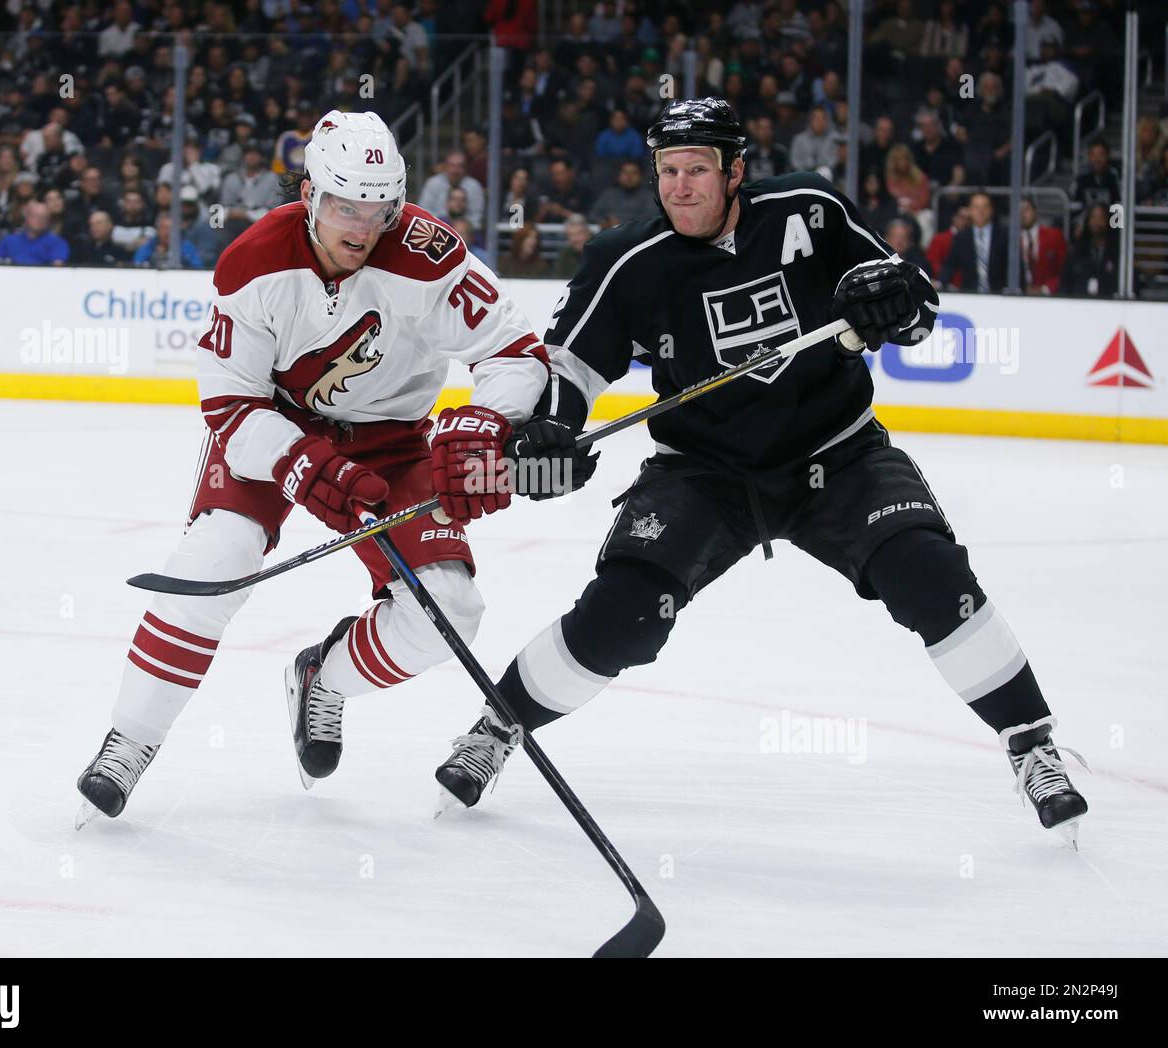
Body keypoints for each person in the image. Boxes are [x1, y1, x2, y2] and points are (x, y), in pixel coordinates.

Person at [433, 98, 1088, 844]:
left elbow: (915, 305)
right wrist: (550, 429)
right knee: (622, 616)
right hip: (705, 472)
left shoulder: (808, 210)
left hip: (837, 454)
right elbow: (572, 366)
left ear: (736, 171)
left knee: (930, 575)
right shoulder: (628, 259)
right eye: (667, 171)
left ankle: (1033, 744)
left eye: (698, 171)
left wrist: (895, 308)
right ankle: (497, 727)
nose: (679, 187)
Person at [76, 110, 550, 822]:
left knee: (450, 610)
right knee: (215, 559)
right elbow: (232, 408)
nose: (362, 227)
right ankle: (130, 739)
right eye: (345, 206)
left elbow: (515, 352)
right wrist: (299, 464)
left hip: (391, 439)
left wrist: (486, 423)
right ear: (308, 194)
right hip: (277, 425)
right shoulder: (253, 262)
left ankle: (322, 680)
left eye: (379, 208)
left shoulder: (428, 256)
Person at [942, 191, 1007, 293]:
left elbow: (1015, 270)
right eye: (976, 207)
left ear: (991, 209)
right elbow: (950, 266)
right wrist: (941, 285)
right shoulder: (961, 238)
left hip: (999, 296)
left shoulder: (1004, 236)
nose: (980, 211)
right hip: (969, 296)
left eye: (984, 207)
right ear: (970, 210)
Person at [418, 150, 485, 228]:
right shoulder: (433, 183)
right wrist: (445, 224)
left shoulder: (474, 186)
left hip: (465, 233)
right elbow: (423, 211)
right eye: (452, 165)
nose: (456, 170)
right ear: (445, 166)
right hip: (436, 229)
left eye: (460, 166)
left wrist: (460, 226)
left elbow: (477, 218)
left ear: (466, 168)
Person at [0, 201, 70, 266]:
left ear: (48, 221)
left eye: (43, 217)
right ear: (26, 218)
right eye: (35, 216)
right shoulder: (9, 241)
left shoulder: (57, 243)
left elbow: (57, 271)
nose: (39, 220)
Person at [1019, 198, 1065, 295]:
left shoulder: (1054, 236)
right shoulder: (1009, 240)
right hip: (1018, 298)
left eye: (1026, 209)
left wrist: (1045, 289)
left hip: (1051, 298)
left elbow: (1064, 271)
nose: (1022, 214)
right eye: (1019, 210)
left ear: (1035, 211)